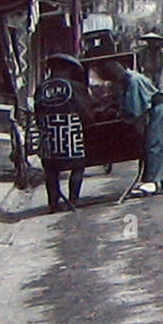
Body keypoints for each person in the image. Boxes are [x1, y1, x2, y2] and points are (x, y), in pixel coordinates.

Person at [95, 57, 163, 194]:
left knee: (154, 144)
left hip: (159, 109)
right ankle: (153, 178)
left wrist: (119, 115)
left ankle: (152, 182)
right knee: (151, 143)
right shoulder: (128, 79)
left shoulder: (133, 81)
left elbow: (134, 109)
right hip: (154, 109)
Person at [33, 54, 94, 213]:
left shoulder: (42, 88)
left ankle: (53, 203)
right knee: (78, 167)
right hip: (70, 135)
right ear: (69, 69)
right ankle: (73, 200)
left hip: (49, 136)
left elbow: (37, 112)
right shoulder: (75, 87)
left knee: (51, 171)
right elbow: (86, 112)